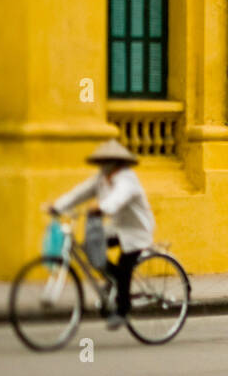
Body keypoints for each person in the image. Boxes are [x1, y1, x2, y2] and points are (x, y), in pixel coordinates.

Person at [45, 139, 155, 330]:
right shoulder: (101, 179)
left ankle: (123, 309)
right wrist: (58, 206)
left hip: (136, 230)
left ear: (118, 163)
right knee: (90, 247)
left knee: (125, 264)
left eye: (108, 163)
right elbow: (80, 193)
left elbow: (119, 198)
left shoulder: (127, 179)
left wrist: (101, 207)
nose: (105, 167)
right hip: (116, 228)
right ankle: (113, 279)